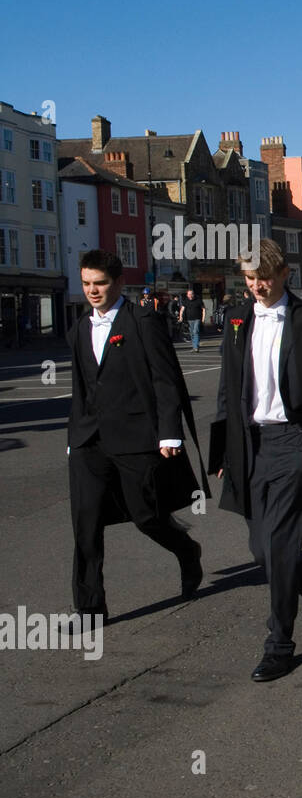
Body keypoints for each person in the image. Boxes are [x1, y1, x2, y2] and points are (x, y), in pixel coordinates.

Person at [208, 240, 302, 682]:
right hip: (250, 444)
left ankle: (279, 644)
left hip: (293, 442)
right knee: (260, 548)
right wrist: (223, 449)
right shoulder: (237, 320)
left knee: (281, 543)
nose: (257, 287)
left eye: (263, 278)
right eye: (249, 279)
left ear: (285, 273)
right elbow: (229, 387)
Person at [66, 250, 204, 621]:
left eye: (100, 283)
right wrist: (73, 437)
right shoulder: (80, 327)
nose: (92, 291)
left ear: (119, 283)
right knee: (86, 520)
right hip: (88, 442)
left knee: (146, 516)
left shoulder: (143, 320)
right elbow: (81, 387)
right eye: (86, 284)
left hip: (135, 437)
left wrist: (170, 433)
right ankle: (90, 606)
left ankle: (186, 551)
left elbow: (165, 378)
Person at [179, 288, 203, 352]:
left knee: (195, 332)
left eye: (191, 294)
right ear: (187, 295)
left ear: (193, 294)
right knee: (192, 333)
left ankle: (196, 347)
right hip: (189, 320)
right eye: (189, 294)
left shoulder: (198, 300)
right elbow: (182, 309)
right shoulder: (185, 301)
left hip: (197, 319)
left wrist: (203, 318)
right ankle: (194, 346)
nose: (190, 295)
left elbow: (203, 309)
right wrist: (180, 317)